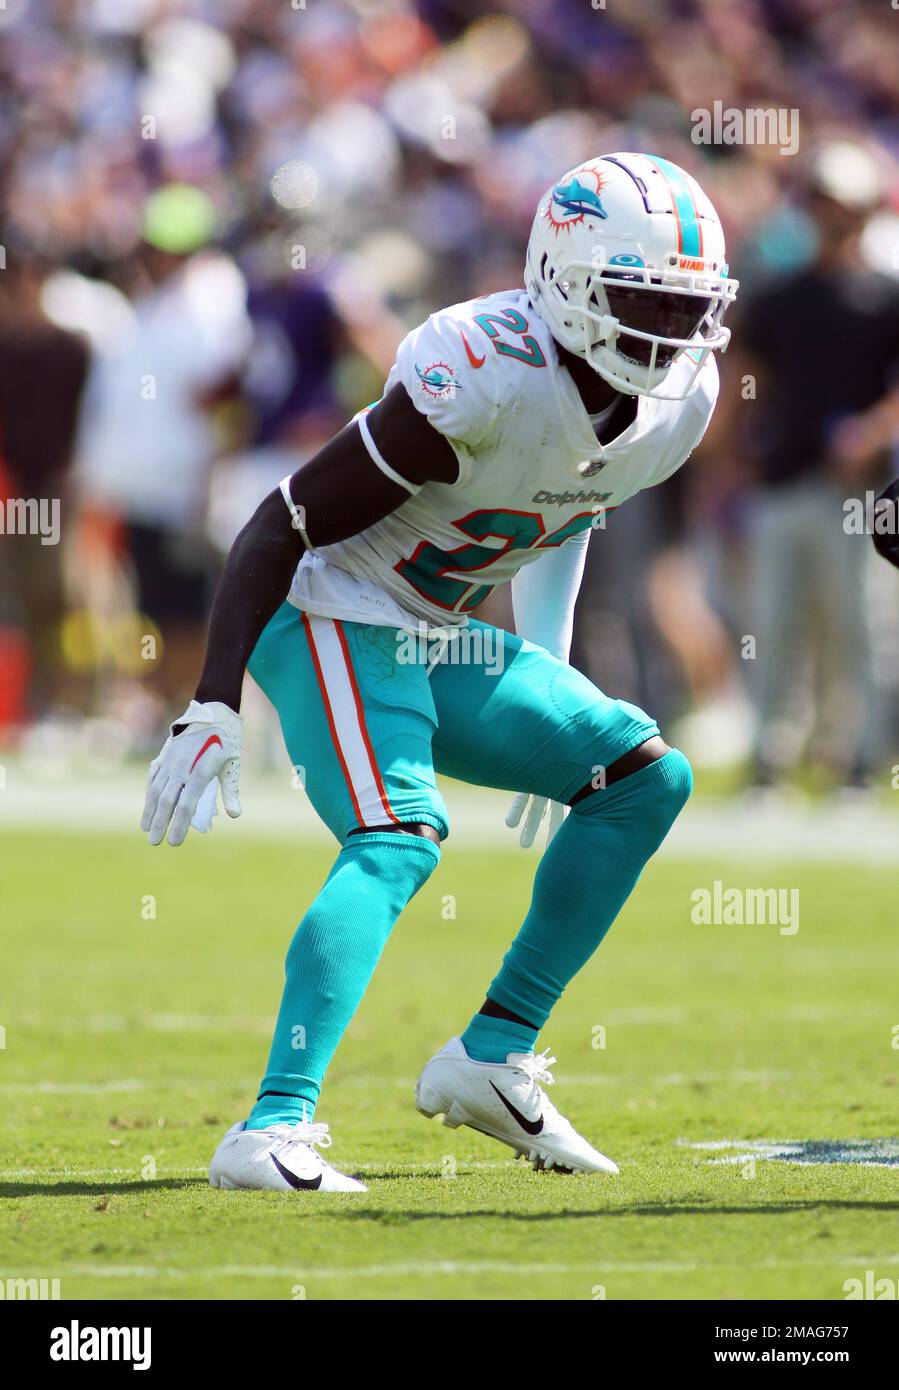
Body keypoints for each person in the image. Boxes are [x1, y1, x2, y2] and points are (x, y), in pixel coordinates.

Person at [141, 154, 739, 1192]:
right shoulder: (483, 367)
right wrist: (212, 698)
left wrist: (549, 678)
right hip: (328, 604)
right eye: (641, 297)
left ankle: (491, 1055)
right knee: (397, 837)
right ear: (565, 279)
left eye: (684, 306)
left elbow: (563, 512)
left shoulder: (676, 406)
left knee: (643, 777)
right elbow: (280, 519)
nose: (665, 330)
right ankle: (267, 1129)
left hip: (439, 630)